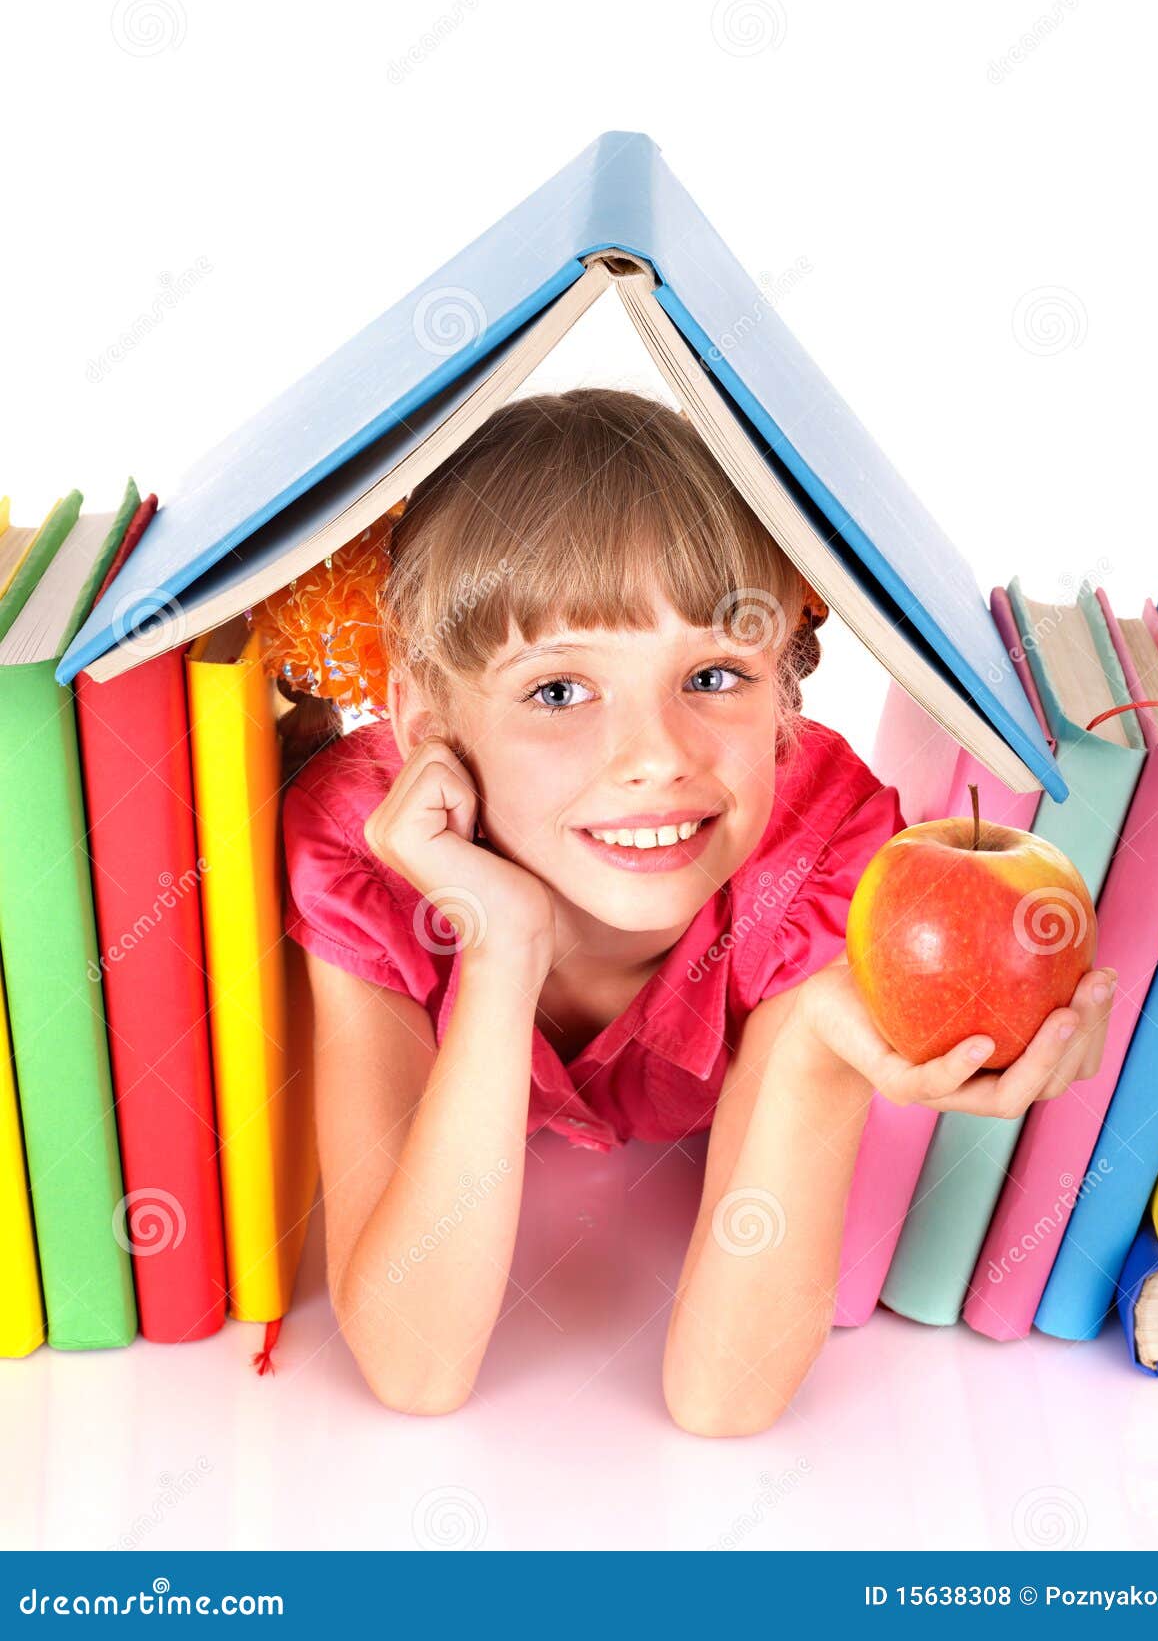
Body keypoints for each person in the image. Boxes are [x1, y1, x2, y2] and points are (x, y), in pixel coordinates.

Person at [274, 388, 1115, 1436]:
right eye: (557, 691)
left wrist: (815, 1039)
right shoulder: (367, 848)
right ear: (423, 720)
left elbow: (724, 1401)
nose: (660, 755)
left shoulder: (824, 856)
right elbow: (414, 1363)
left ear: (785, 694)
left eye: (715, 674)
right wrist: (502, 955)